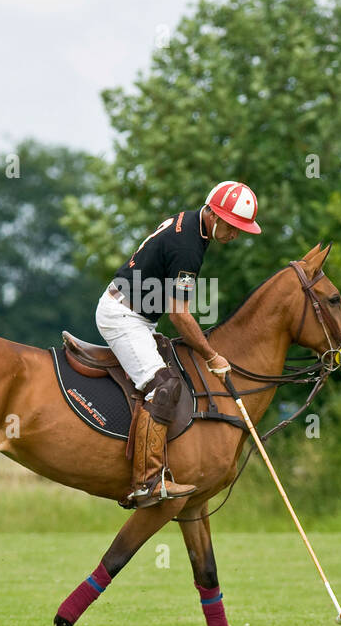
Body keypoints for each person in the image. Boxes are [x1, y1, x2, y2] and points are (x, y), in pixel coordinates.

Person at [98, 181, 261, 506]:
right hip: (123, 316)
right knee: (164, 387)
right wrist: (212, 355)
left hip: (139, 315)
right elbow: (180, 315)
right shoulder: (188, 247)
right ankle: (147, 481)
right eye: (234, 226)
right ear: (215, 216)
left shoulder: (190, 222)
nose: (236, 235)